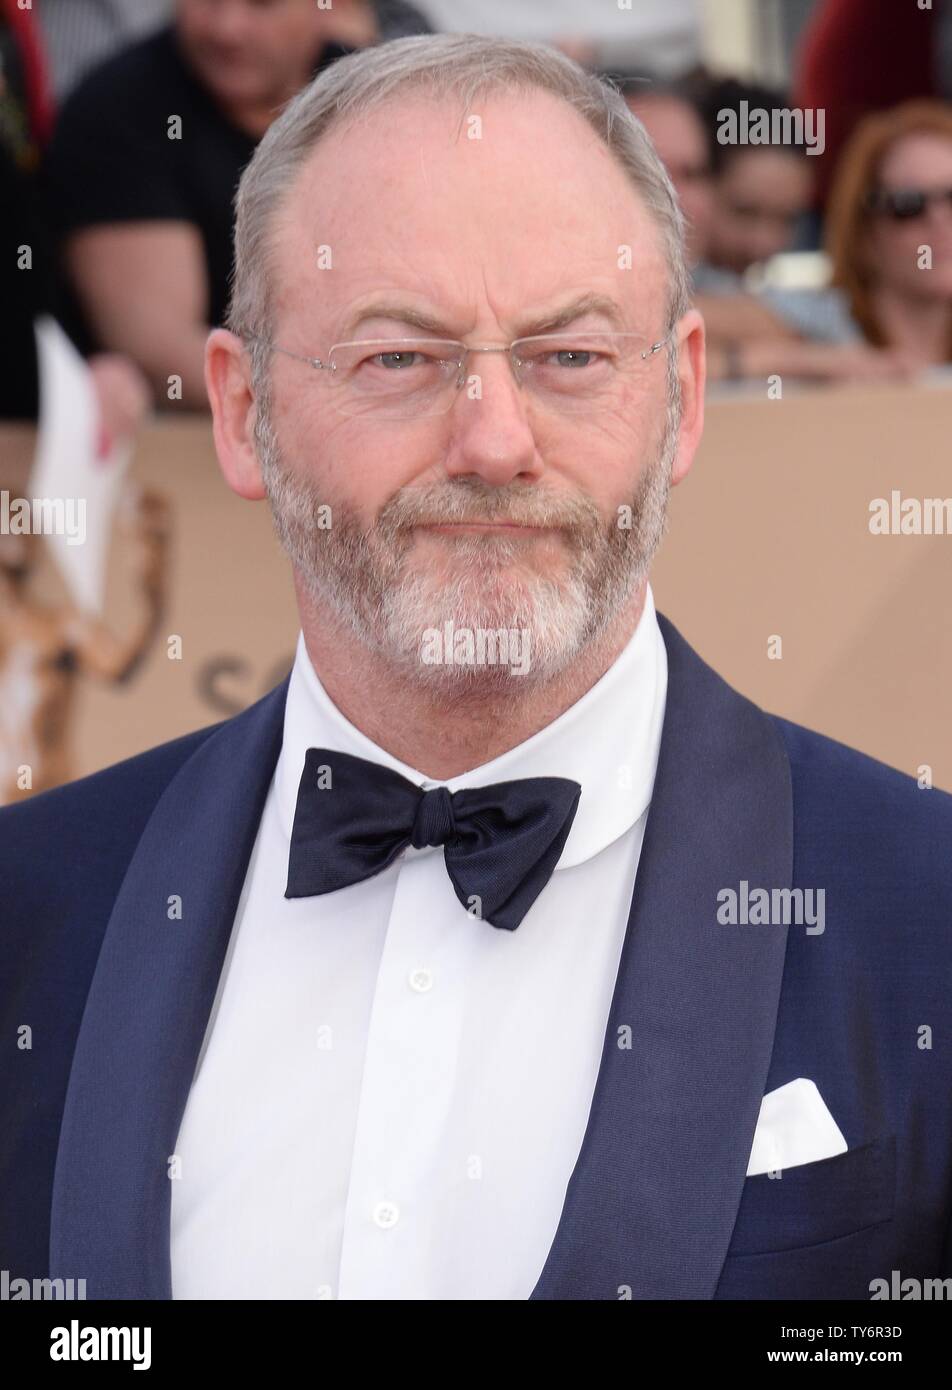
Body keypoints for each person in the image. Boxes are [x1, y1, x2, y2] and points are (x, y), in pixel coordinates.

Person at [2, 34, 950, 1302]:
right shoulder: (31, 907)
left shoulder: (921, 911)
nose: (495, 441)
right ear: (242, 413)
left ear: (678, 399)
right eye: (398, 355)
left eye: (569, 355)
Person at [42, 0, 365, 409]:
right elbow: (161, 354)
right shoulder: (119, 108)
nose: (227, 29)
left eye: (262, 5)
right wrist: (343, 397)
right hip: (191, 433)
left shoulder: (378, 101)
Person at [826, 100, 952, 369]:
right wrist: (807, 362)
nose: (940, 220)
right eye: (908, 204)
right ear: (862, 233)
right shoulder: (817, 327)